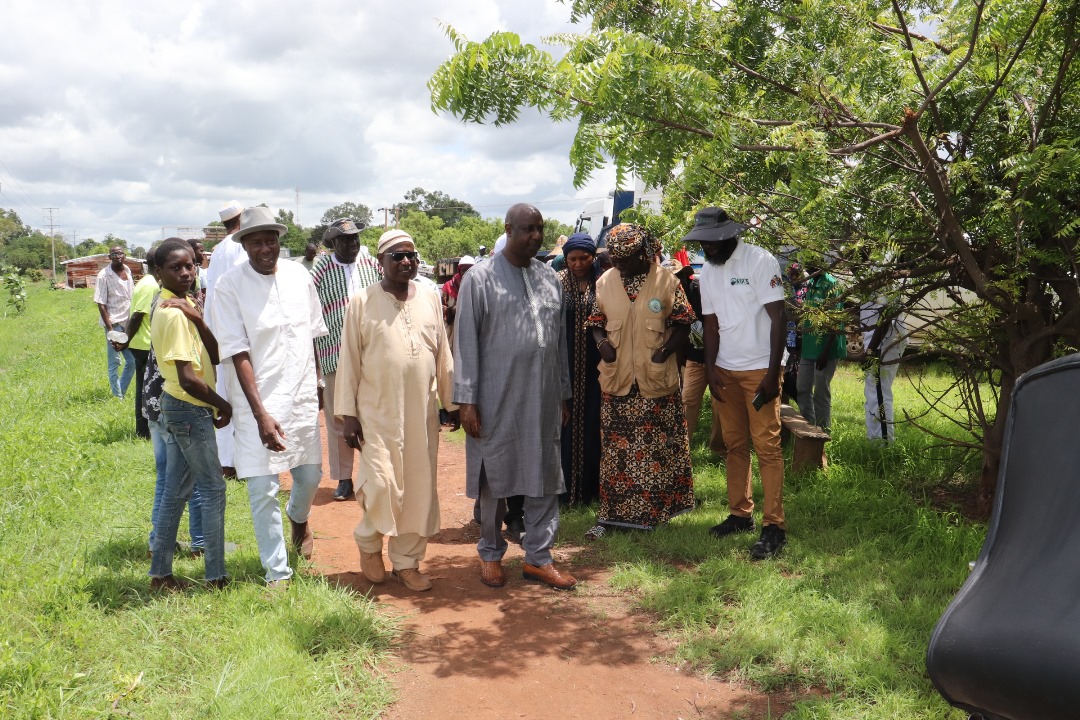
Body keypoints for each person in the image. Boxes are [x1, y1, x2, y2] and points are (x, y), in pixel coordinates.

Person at [454, 203, 577, 591]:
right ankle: (490, 554)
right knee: (495, 477)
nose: (536, 236)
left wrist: (563, 394)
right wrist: (467, 400)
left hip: (542, 396)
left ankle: (539, 558)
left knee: (544, 474)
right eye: (528, 229)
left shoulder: (549, 278)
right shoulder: (481, 278)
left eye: (540, 229)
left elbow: (558, 344)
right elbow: (466, 342)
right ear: (508, 229)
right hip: (496, 396)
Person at [209, 206, 329, 588]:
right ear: (243, 244)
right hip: (255, 402)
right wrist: (260, 413)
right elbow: (235, 350)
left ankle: (298, 517)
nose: (266, 248)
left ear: (280, 241)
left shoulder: (299, 276)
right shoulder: (229, 286)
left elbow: (311, 335)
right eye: (257, 241)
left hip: (300, 396)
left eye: (271, 240)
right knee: (263, 489)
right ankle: (277, 573)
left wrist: (318, 384)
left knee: (310, 476)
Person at [335, 229, 458, 592]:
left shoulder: (431, 297)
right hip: (377, 412)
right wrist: (348, 415)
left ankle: (406, 563)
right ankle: (369, 544)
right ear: (380, 263)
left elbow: (442, 354)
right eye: (398, 256)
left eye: (412, 255)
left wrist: (450, 403)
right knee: (382, 484)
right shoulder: (361, 301)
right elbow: (350, 361)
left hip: (421, 412)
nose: (407, 261)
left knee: (418, 487)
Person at [687, 207, 788, 560]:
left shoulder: (760, 261)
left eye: (714, 242)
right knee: (734, 445)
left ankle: (774, 525)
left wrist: (773, 373)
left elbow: (779, 319)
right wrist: (711, 366)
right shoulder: (708, 271)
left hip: (760, 369)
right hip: (725, 371)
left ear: (731, 235)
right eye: (704, 243)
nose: (708, 249)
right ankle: (739, 514)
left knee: (767, 448)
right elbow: (711, 324)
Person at [584, 224, 695, 538]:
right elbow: (596, 321)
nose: (621, 264)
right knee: (615, 454)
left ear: (644, 253)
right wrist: (601, 344)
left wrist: (664, 352)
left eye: (627, 258)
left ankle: (652, 515)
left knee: (653, 452)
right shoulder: (605, 282)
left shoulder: (667, 282)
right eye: (616, 258)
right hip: (618, 382)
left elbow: (684, 323)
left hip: (654, 382)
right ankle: (612, 516)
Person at [148, 238, 232, 591]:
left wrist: (199, 318)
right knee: (213, 490)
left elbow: (214, 355)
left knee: (176, 492)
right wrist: (222, 405)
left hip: (180, 407)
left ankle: (160, 574)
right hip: (189, 407)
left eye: (190, 266)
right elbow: (188, 377)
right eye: (175, 267)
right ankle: (215, 576)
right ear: (158, 273)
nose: (185, 272)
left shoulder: (185, 307)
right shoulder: (172, 312)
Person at [311, 218, 380, 501]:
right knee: (339, 418)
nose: (352, 244)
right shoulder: (321, 269)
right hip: (333, 355)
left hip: (371, 355)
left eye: (355, 239)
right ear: (333, 243)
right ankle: (343, 478)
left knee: (373, 414)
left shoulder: (372, 264)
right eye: (345, 240)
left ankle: (374, 474)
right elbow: (310, 312)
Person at [556, 232, 603, 506]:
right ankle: (565, 492)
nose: (577, 264)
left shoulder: (604, 282)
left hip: (598, 367)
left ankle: (591, 491)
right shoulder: (558, 282)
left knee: (594, 424)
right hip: (566, 364)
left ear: (592, 256)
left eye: (583, 258)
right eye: (571, 259)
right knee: (566, 424)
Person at [204, 200, 246, 479]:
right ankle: (236, 462)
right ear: (241, 219)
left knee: (224, 391)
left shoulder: (218, 250)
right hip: (235, 329)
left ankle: (225, 460)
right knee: (240, 394)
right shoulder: (241, 246)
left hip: (216, 330)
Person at [675, 260, 727, 456]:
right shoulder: (671, 299)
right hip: (694, 359)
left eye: (677, 276)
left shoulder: (699, 291)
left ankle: (719, 449)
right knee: (688, 402)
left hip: (719, 359)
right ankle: (681, 450)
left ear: (684, 276)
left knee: (719, 404)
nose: (674, 281)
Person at [795, 258, 846, 431]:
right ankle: (808, 430)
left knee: (820, 393)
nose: (807, 265)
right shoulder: (811, 281)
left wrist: (825, 352)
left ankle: (823, 432)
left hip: (825, 350)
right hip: (809, 347)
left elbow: (835, 320)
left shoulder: (831, 284)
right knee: (802, 389)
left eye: (810, 261)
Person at [120, 252, 159, 439]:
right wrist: (125, 339)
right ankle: (143, 431)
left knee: (144, 387)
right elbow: (138, 315)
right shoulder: (150, 285)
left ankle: (145, 430)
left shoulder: (146, 282)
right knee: (145, 389)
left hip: (143, 342)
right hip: (144, 344)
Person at [860, 295, 908, 441]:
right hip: (879, 342)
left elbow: (885, 318)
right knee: (873, 394)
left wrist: (870, 351)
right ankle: (874, 440)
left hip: (882, 343)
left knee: (879, 395)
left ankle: (884, 444)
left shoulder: (878, 277)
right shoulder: (869, 280)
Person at [95, 246, 136, 399]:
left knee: (131, 361)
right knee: (115, 361)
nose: (118, 256)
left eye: (120, 253)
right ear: (109, 256)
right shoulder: (104, 275)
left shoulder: (127, 270)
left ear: (124, 255)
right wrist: (111, 330)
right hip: (115, 323)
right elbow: (101, 303)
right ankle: (117, 396)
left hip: (128, 323)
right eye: (114, 254)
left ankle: (121, 392)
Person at [441, 254, 475, 349]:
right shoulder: (448, 287)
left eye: (470, 269)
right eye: (464, 269)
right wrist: (453, 310)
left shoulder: (478, 286)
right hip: (452, 331)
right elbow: (441, 309)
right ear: (460, 270)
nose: (467, 272)